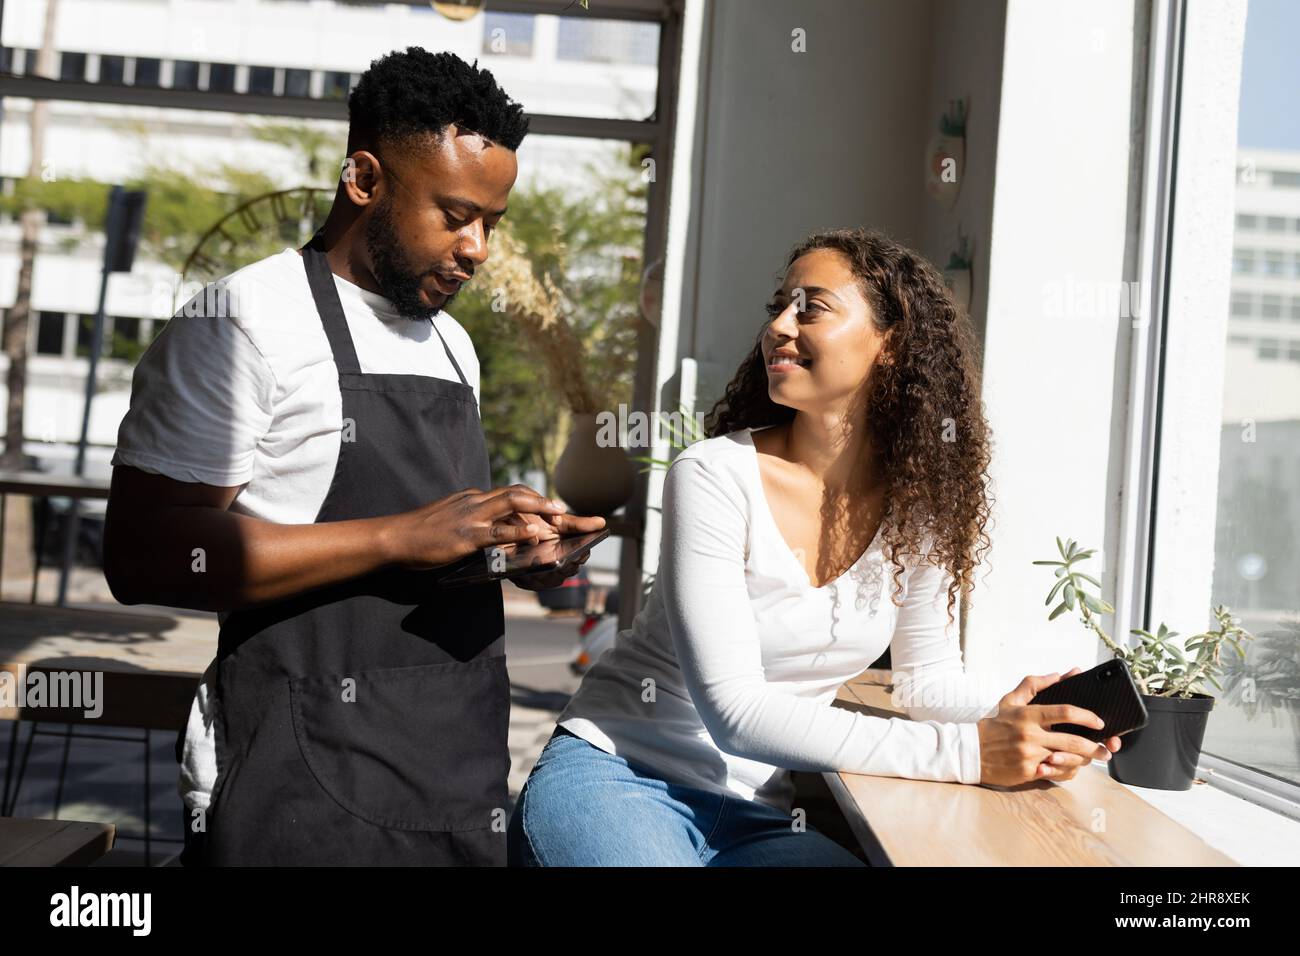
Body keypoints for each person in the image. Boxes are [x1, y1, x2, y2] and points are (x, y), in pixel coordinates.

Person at [103, 48, 603, 866]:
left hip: (452, 757)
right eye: (454, 214)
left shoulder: (452, 344)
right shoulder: (242, 323)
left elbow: (431, 547)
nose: (477, 248)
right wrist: (397, 536)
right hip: (298, 764)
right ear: (364, 180)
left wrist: (506, 553)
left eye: (492, 223)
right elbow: (145, 555)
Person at [507, 227, 1123, 867]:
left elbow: (925, 682)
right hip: (620, 775)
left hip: (753, 813)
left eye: (811, 307)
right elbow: (736, 714)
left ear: (892, 343)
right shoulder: (715, 475)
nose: (778, 324)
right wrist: (972, 753)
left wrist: (1021, 716)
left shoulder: (921, 506)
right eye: (779, 305)